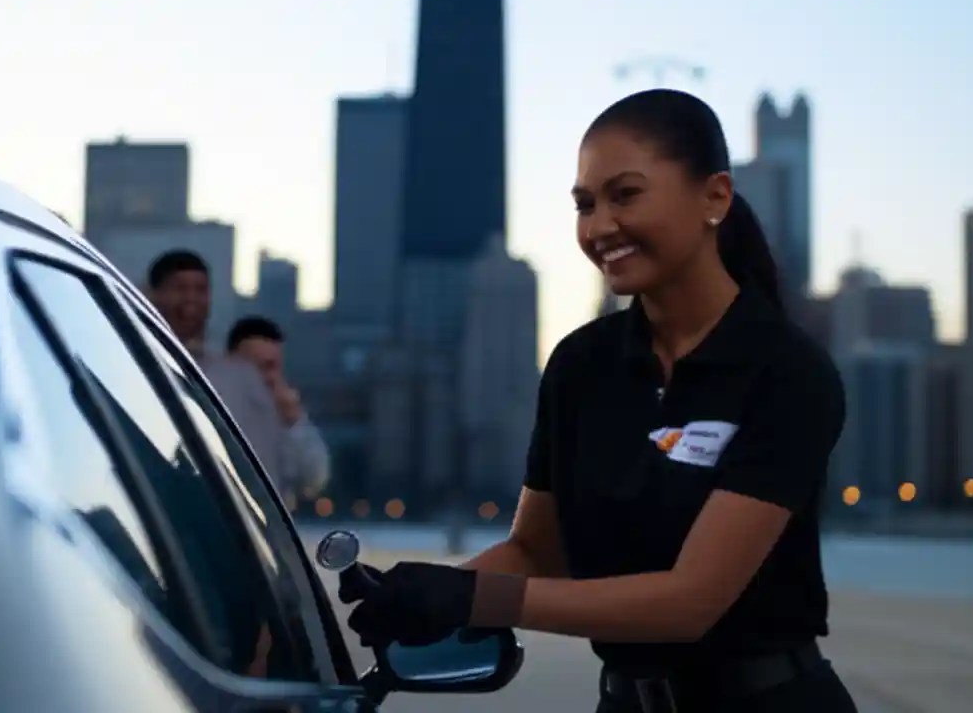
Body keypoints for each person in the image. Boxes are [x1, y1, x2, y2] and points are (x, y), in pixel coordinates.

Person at [338, 89, 857, 712]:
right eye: (585, 204)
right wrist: (421, 592)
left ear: (714, 198)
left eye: (626, 195)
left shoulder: (787, 371)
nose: (600, 226)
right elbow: (537, 550)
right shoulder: (582, 365)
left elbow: (691, 602)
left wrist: (475, 599)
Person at [145, 251, 286, 486]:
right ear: (153, 295)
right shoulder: (130, 364)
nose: (191, 299)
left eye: (200, 290)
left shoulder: (238, 378)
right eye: (180, 288)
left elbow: (267, 468)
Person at [226, 316, 331, 504]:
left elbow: (314, 481)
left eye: (271, 367)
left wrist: (294, 422)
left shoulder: (284, 421)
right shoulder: (209, 415)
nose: (264, 377)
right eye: (253, 367)